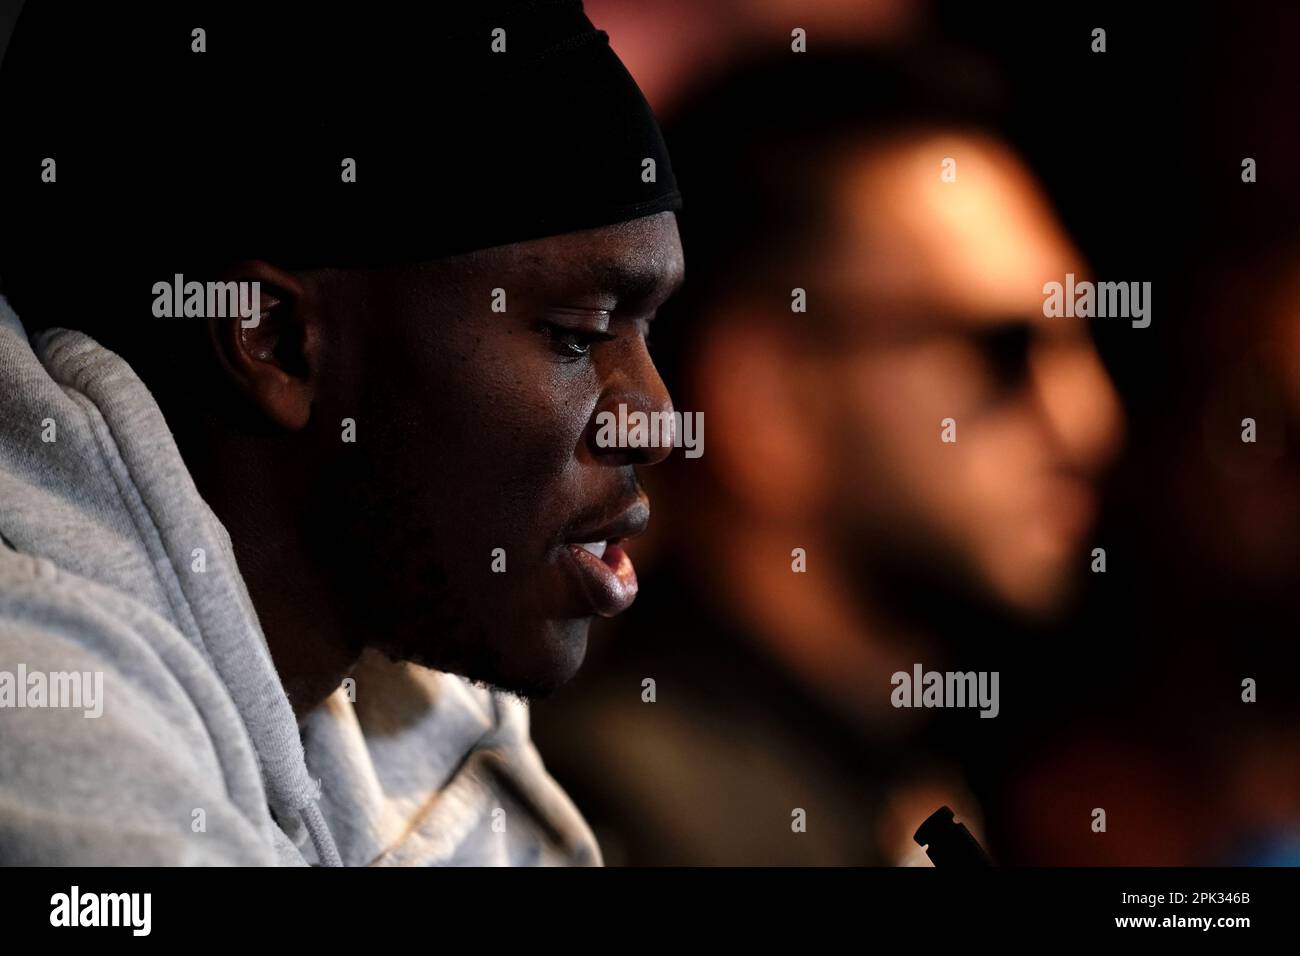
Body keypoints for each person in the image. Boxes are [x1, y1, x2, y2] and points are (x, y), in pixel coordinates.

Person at [0, 2, 682, 865]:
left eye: (648, 329)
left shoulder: (417, 696)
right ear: (277, 341)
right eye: (577, 334)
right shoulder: (40, 710)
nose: (655, 419)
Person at [533, 49, 1124, 865]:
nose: (1091, 420)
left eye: (1086, 340)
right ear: (770, 400)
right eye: (1004, 349)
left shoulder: (920, 776)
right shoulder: (609, 820)